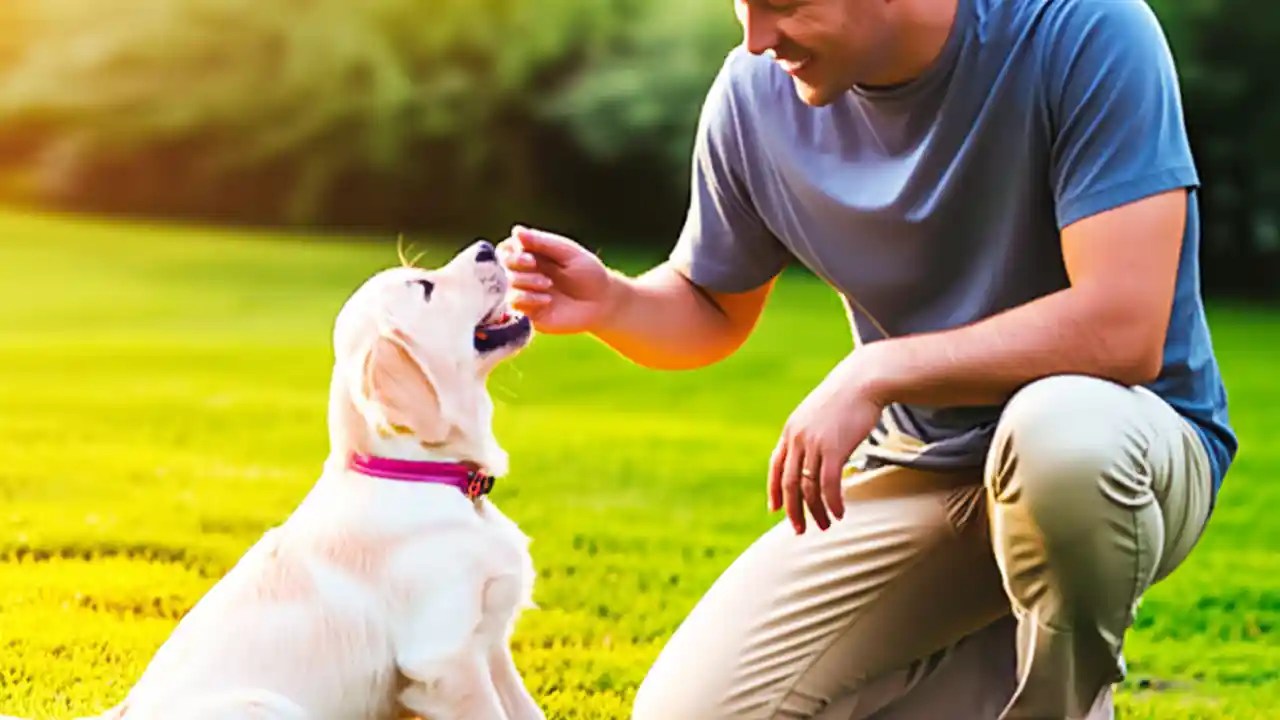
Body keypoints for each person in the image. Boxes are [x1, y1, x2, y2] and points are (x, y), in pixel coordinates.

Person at [497, 0, 1237, 716]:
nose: (757, 39)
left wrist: (877, 371)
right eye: (742, 5)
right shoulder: (755, 97)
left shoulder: (1084, 28)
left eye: (784, 5)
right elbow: (712, 304)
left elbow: (1123, 328)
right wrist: (614, 302)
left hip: (1125, 449)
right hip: (930, 468)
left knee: (1059, 435)